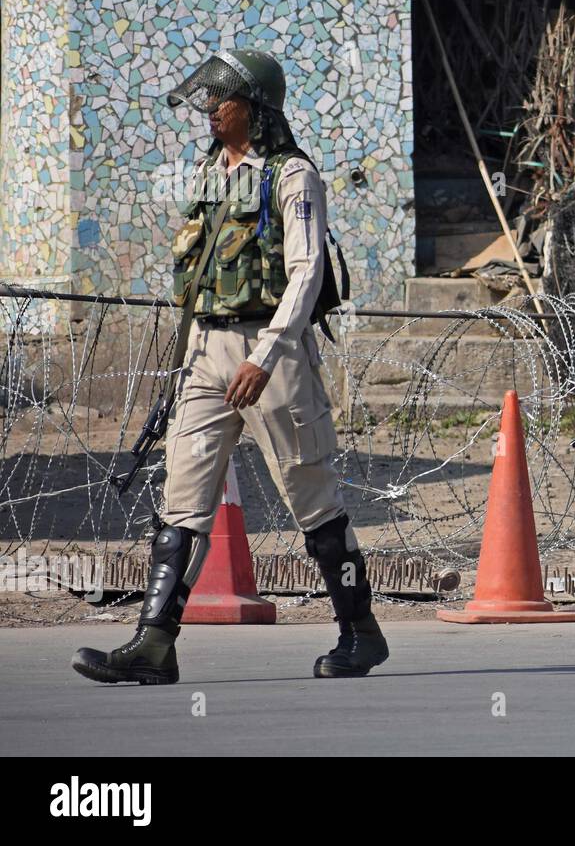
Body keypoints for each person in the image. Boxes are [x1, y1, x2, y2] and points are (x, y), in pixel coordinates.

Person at [72, 49, 386, 684]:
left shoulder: (291, 175)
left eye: (223, 101)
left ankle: (361, 633)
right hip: (206, 354)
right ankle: (154, 645)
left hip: (274, 355)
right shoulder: (212, 173)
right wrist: (187, 357)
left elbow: (305, 273)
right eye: (208, 102)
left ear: (257, 108)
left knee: (314, 501)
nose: (211, 111)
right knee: (181, 501)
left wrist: (266, 355)